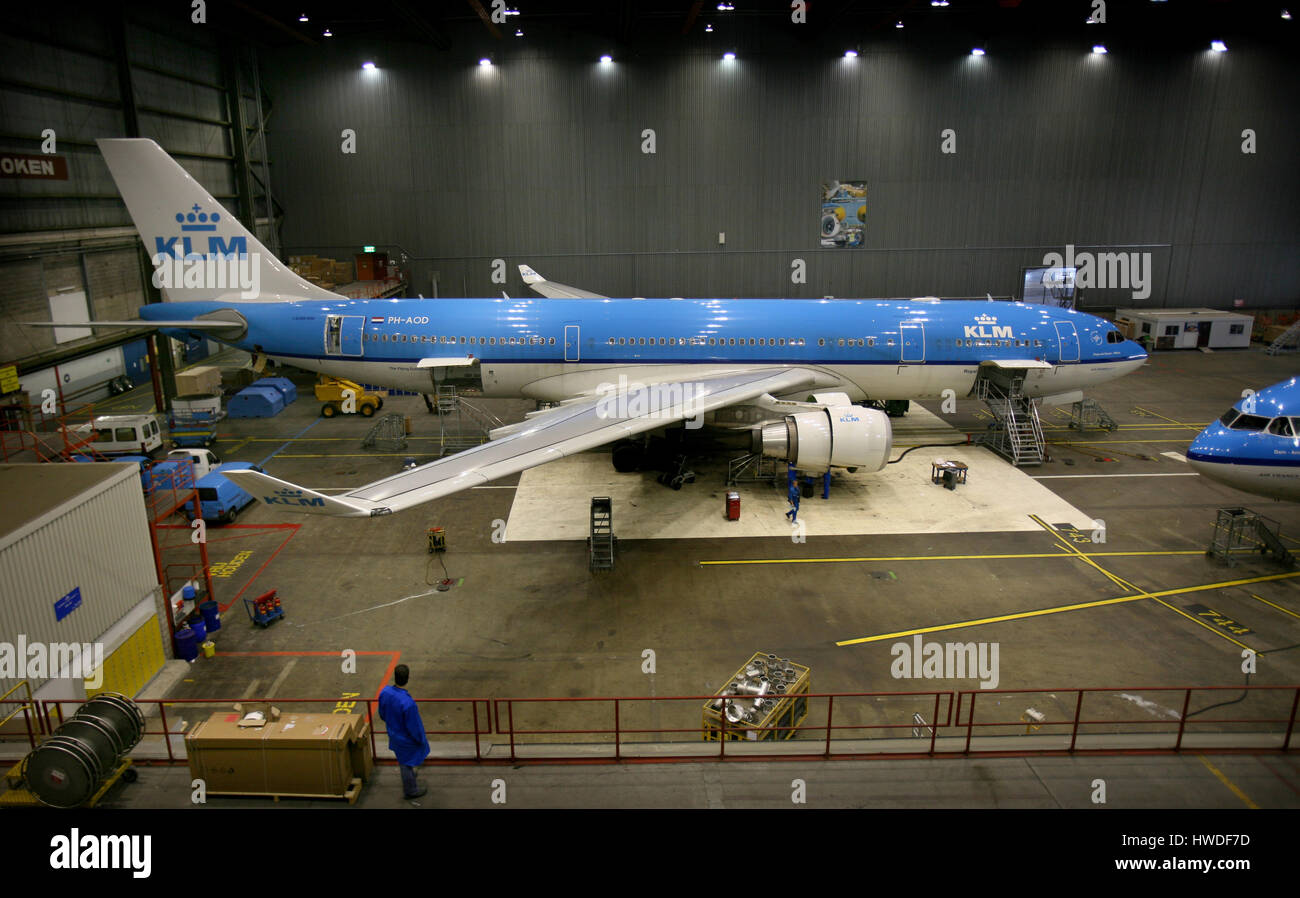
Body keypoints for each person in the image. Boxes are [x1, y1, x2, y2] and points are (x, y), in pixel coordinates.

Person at [377, 664, 430, 800]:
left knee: (403, 760)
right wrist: (420, 740)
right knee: (405, 764)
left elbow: (382, 714)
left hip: (394, 734)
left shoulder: (385, 692)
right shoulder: (408, 703)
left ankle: (411, 776)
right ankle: (411, 790)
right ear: (407, 678)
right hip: (405, 739)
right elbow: (414, 727)